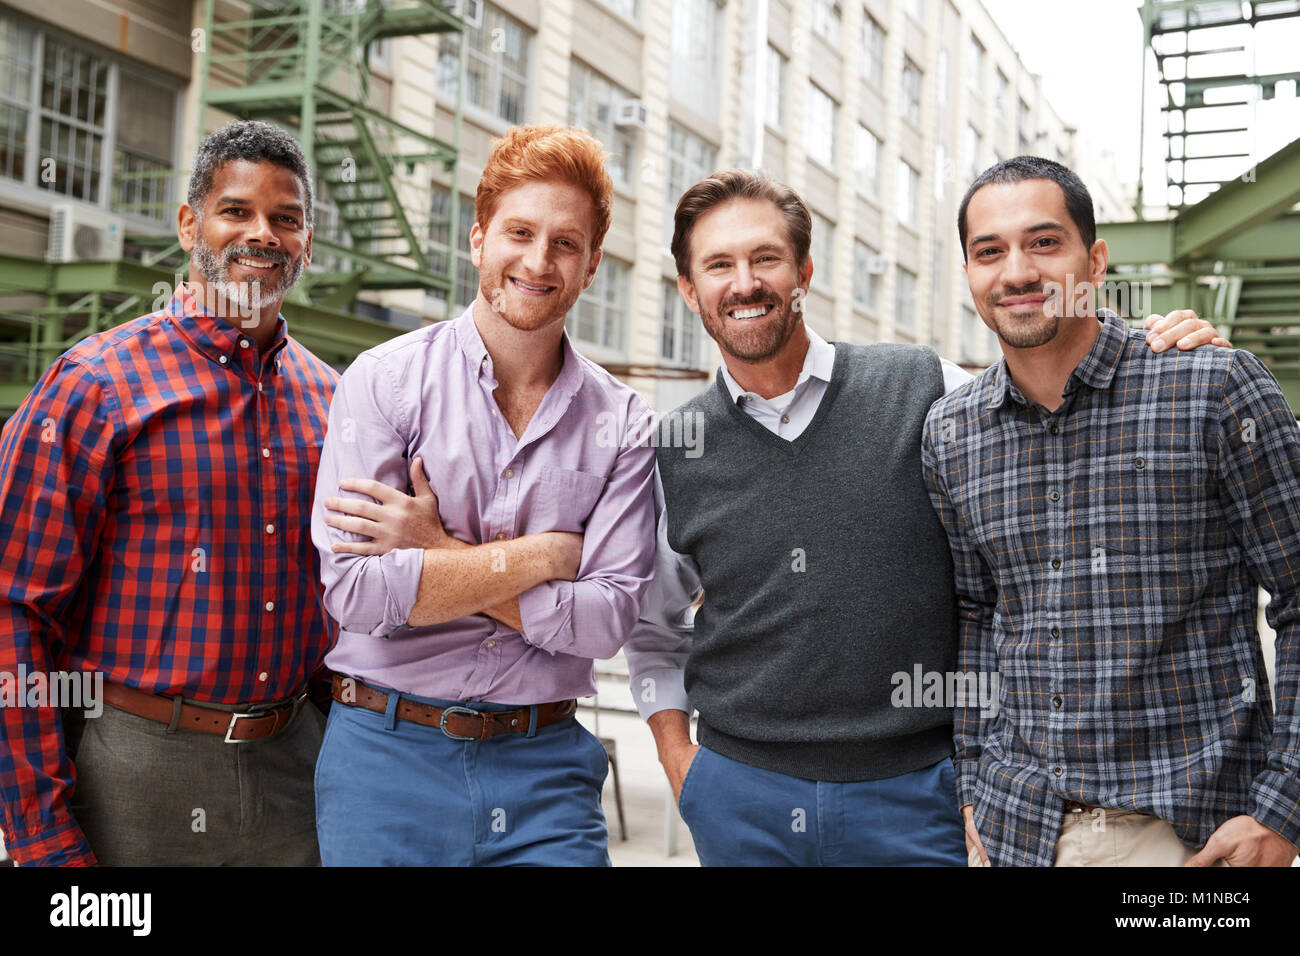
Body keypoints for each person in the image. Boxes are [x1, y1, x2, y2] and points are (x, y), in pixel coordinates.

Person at [623, 168, 1226, 866]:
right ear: (689, 290)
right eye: (719, 265)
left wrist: (1156, 352)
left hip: (920, 795)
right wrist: (680, 760)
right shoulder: (676, 448)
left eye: (765, 258)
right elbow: (652, 626)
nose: (745, 282)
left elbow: (1047, 405)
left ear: (803, 272)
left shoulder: (925, 388)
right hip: (739, 796)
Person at [922, 156, 1300, 867]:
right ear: (970, 274)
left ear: (1094, 261)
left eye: (1044, 242)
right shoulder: (950, 433)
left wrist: (1284, 808)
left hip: (1191, 837)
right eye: (989, 251)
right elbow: (976, 616)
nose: (1017, 272)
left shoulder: (1213, 387)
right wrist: (973, 780)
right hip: (1019, 833)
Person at [310, 124, 655, 866]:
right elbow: (358, 594)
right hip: (384, 762)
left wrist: (437, 554)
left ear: (593, 264)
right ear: (477, 239)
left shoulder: (624, 423)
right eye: (520, 233)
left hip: (545, 773)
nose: (537, 261)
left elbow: (604, 623)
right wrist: (547, 555)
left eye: (565, 243)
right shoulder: (383, 381)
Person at [0, 120, 336, 866]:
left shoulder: (332, 403)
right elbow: (14, 612)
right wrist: (40, 834)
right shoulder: (94, 385)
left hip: (295, 773)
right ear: (190, 224)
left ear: (306, 240)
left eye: (286, 218)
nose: (263, 234)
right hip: (132, 773)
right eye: (237, 211)